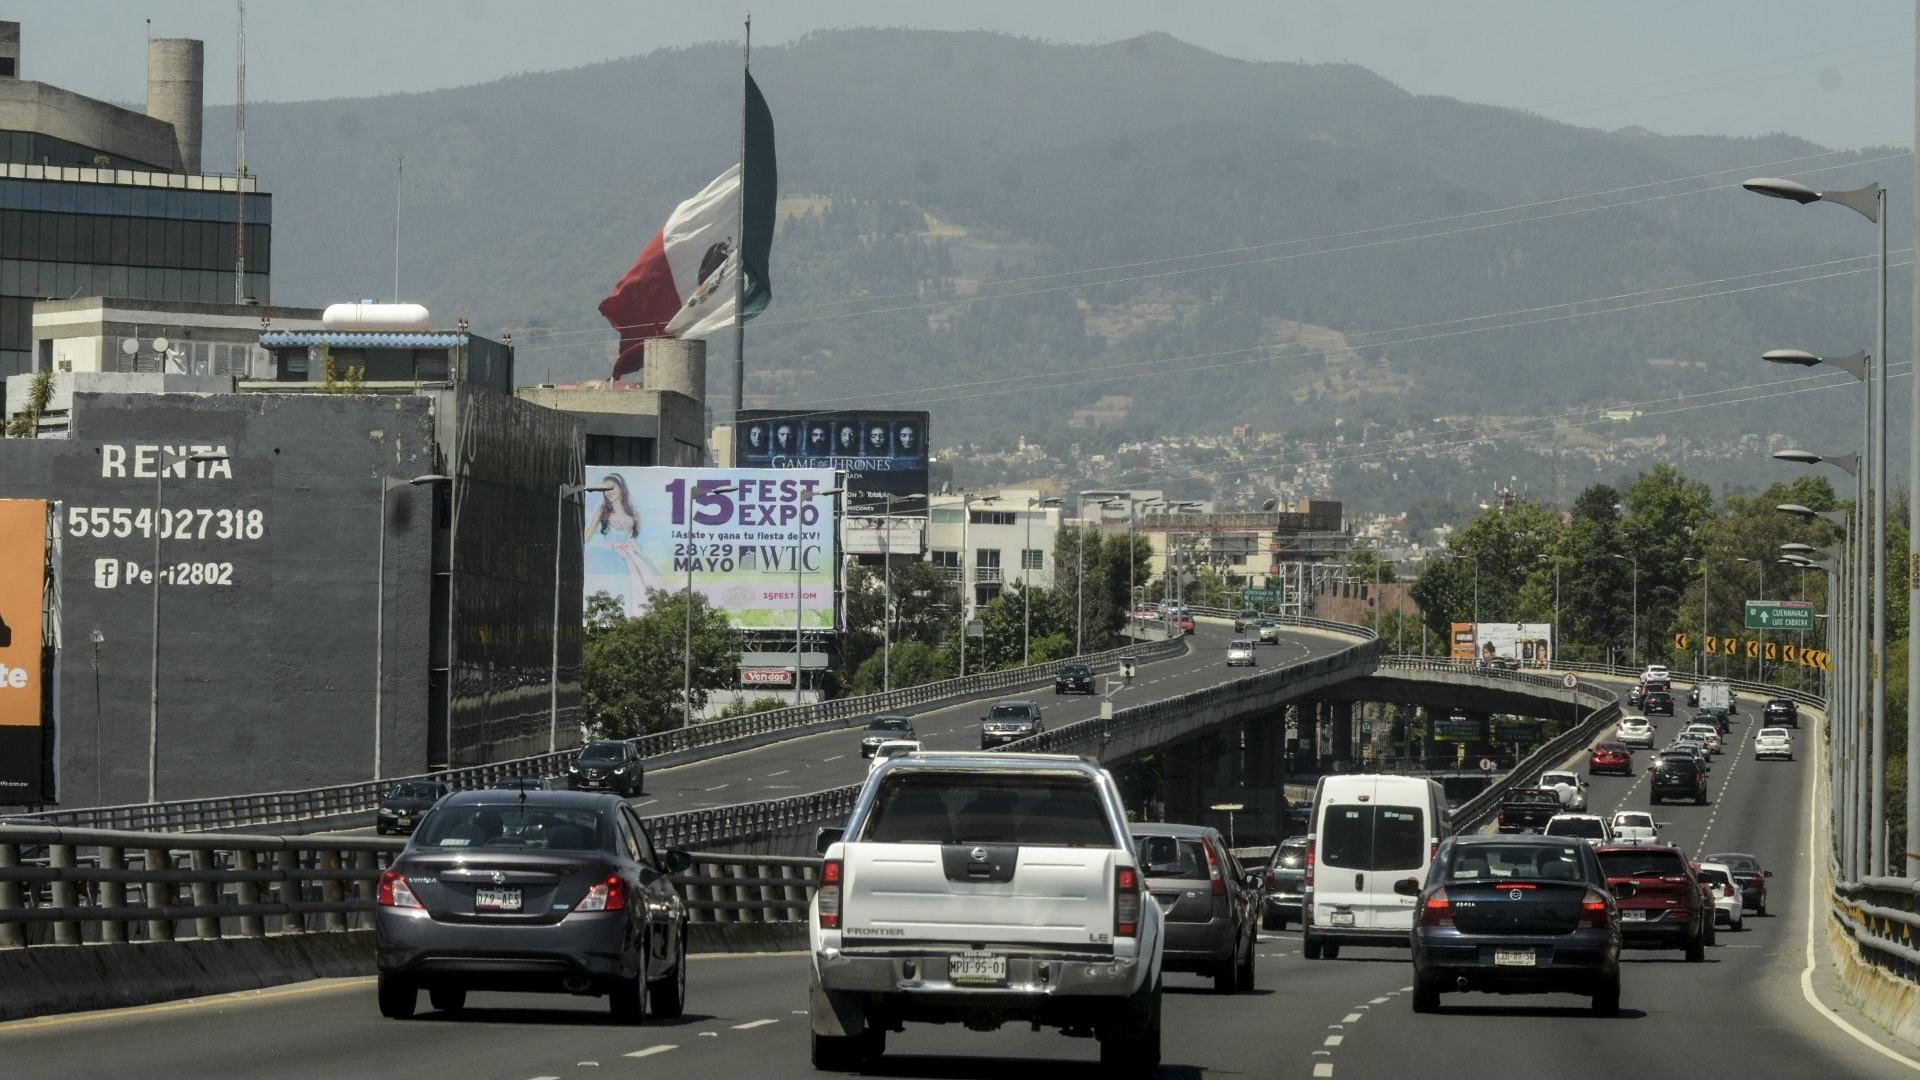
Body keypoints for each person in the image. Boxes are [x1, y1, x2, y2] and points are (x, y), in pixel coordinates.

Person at [585, 473, 659, 617]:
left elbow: (636, 534)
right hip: (605, 557)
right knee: (608, 588)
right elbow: (587, 535)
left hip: (629, 557)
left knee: (635, 588)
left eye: (611, 488)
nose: (608, 492)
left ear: (621, 488)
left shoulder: (633, 511)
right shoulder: (602, 510)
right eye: (605, 489)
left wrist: (630, 545)